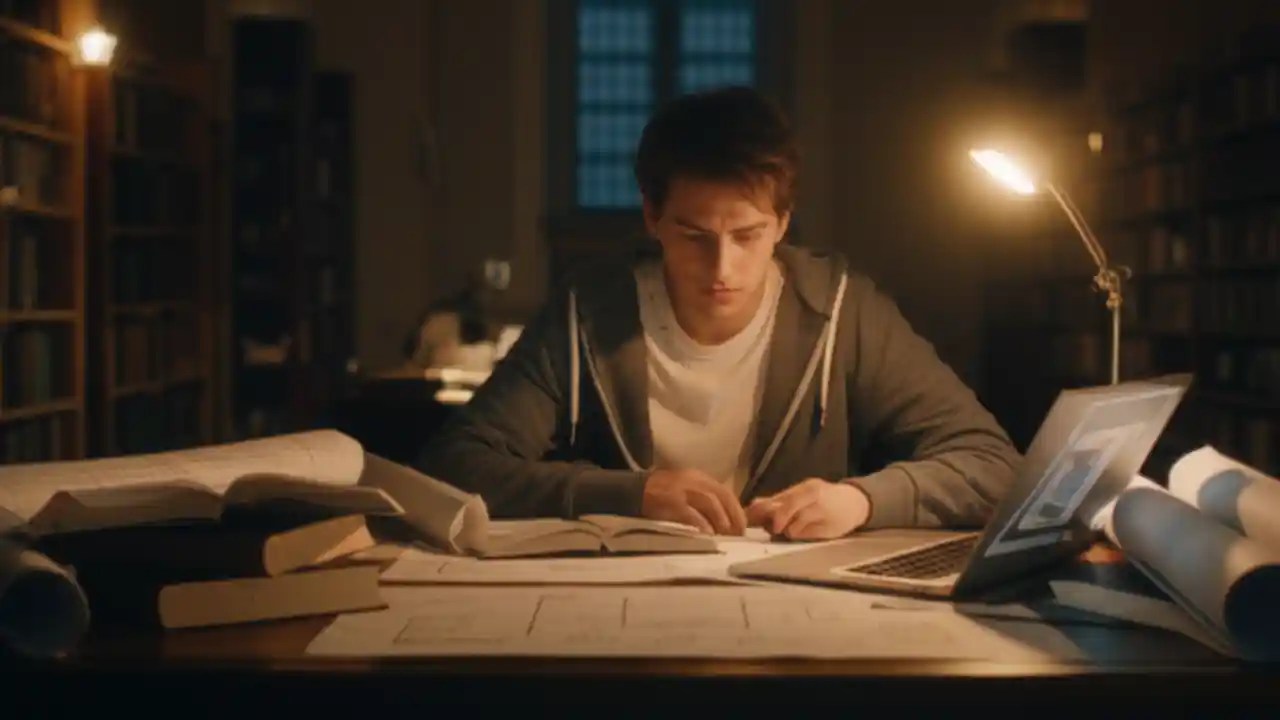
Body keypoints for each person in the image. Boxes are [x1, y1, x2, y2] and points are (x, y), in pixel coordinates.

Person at [416, 86, 1020, 540]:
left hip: (801, 621)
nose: (723, 267)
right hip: (618, 617)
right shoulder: (589, 313)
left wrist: (862, 500)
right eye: (694, 235)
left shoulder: (840, 309)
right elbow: (457, 465)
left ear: (783, 222)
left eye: (749, 235)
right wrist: (632, 495)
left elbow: (993, 465)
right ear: (651, 216)